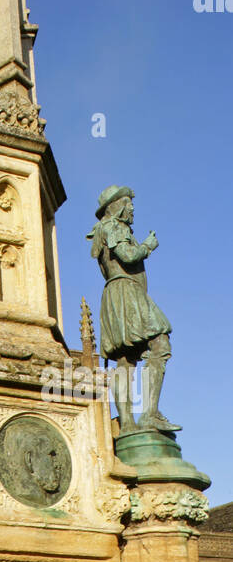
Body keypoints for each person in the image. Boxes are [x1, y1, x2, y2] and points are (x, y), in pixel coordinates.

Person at [89, 185, 176, 433]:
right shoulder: (114, 227)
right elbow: (127, 255)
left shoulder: (103, 229)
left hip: (115, 295)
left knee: (125, 360)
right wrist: (148, 245)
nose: (132, 208)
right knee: (160, 342)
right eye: (128, 203)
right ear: (116, 207)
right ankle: (149, 414)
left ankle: (127, 423)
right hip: (127, 292)